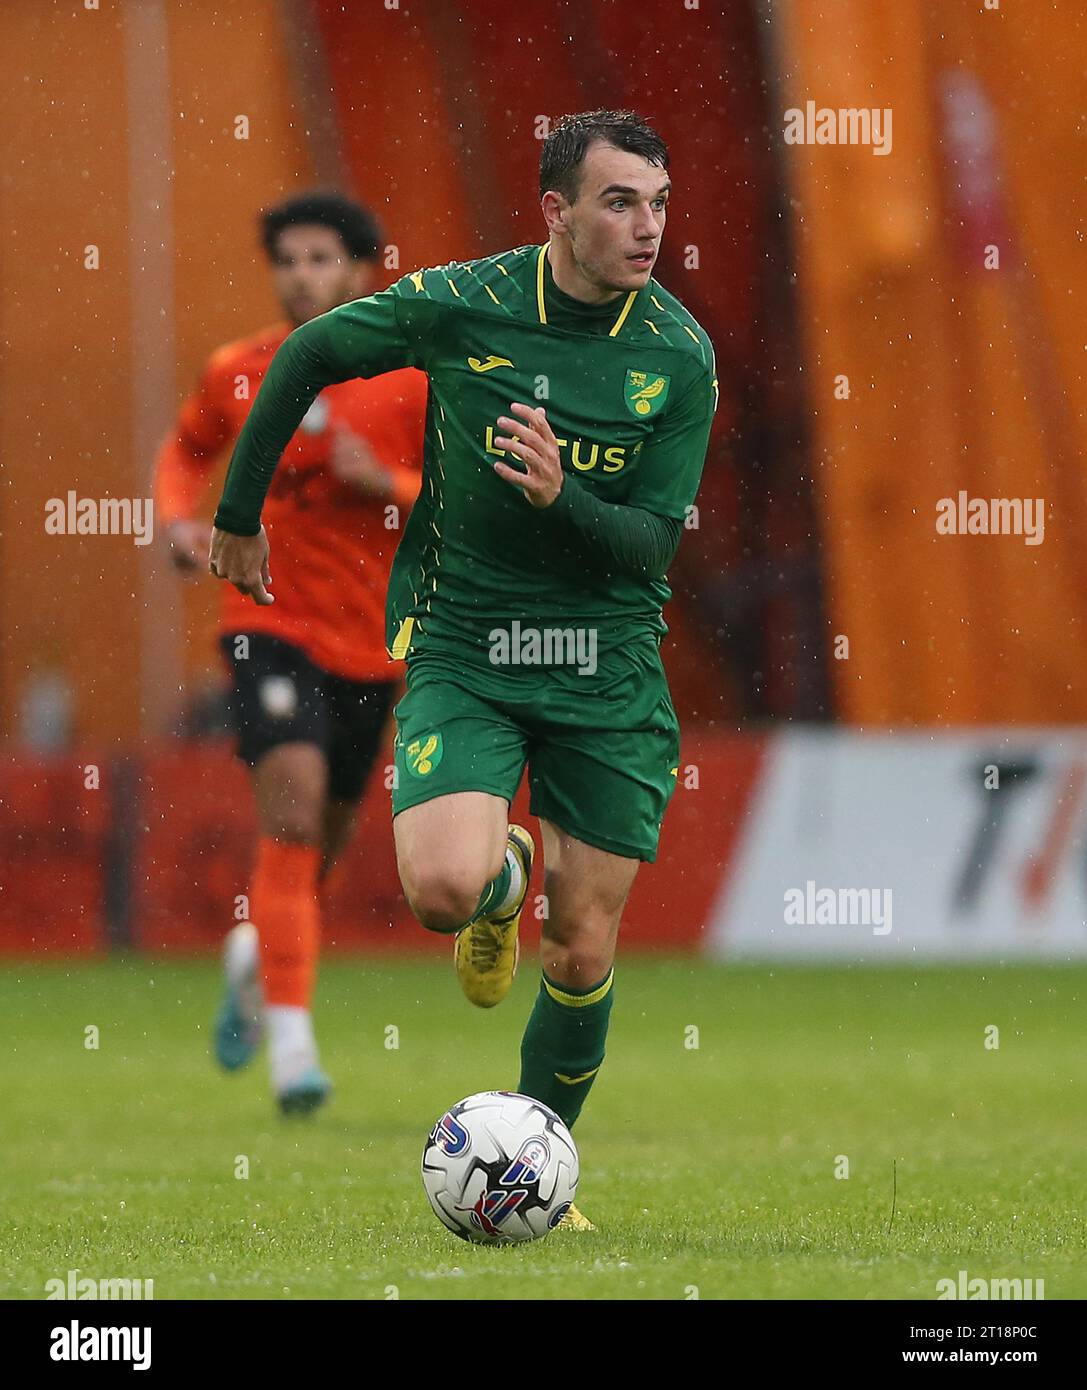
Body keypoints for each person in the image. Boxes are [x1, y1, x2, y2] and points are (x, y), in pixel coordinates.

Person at [208, 112, 717, 1224]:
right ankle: (500, 878)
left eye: (660, 202)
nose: (647, 227)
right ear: (557, 212)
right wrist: (237, 515)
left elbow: (648, 545)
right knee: (442, 892)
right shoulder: (468, 303)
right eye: (621, 202)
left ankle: (540, 1172)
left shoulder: (676, 355)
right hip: (466, 644)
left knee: (581, 946)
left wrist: (561, 496)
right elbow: (307, 353)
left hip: (605, 666)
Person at [155, 191, 426, 1114]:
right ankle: (294, 1052)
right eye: (289, 261)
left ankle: (251, 954)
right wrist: (179, 526)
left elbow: (465, 499)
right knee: (294, 807)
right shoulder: (240, 369)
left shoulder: (411, 377)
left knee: (324, 846)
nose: (302, 276)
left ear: (362, 270)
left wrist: (383, 479)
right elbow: (185, 450)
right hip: (265, 620)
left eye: (321, 259)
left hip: (373, 643)